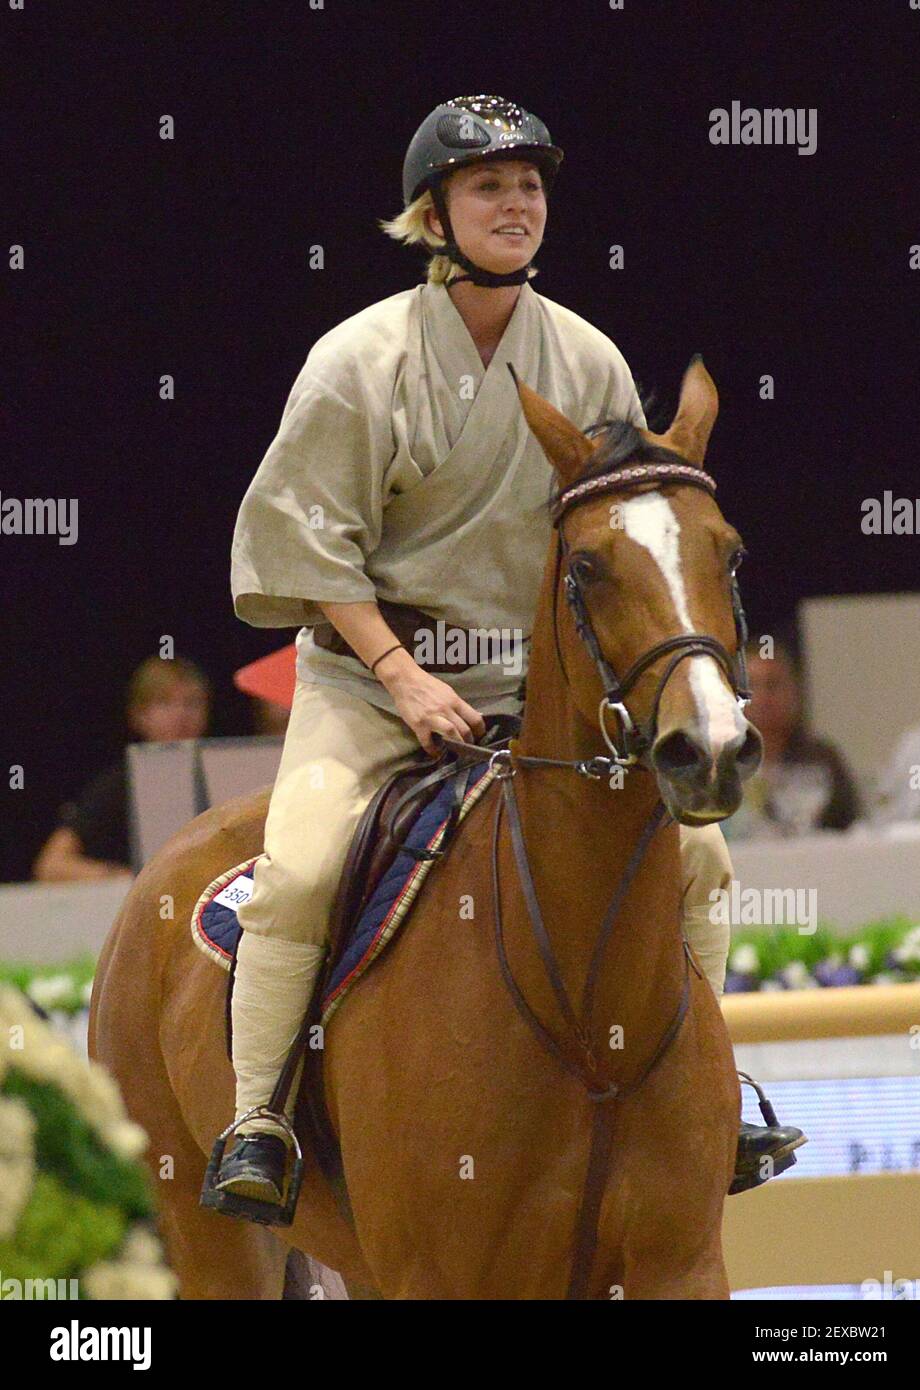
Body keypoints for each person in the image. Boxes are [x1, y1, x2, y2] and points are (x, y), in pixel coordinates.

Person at [216, 95, 802, 1208]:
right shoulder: (358, 360)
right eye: (489, 186)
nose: (517, 203)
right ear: (431, 216)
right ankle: (259, 1119)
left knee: (705, 859)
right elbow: (308, 545)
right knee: (295, 874)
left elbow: (616, 543)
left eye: (530, 185)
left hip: (535, 687)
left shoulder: (583, 356)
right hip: (374, 682)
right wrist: (400, 675)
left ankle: (709, 1098)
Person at [33, 656, 212, 881]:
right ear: (139, 715)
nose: (180, 715)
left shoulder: (221, 776)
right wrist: (125, 879)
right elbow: (51, 865)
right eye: (165, 703)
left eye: (192, 703)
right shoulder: (120, 783)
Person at [722, 639, 859, 840]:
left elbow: (850, 829)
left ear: (794, 691)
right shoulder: (718, 765)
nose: (762, 699)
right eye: (751, 687)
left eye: (772, 685)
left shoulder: (822, 760)